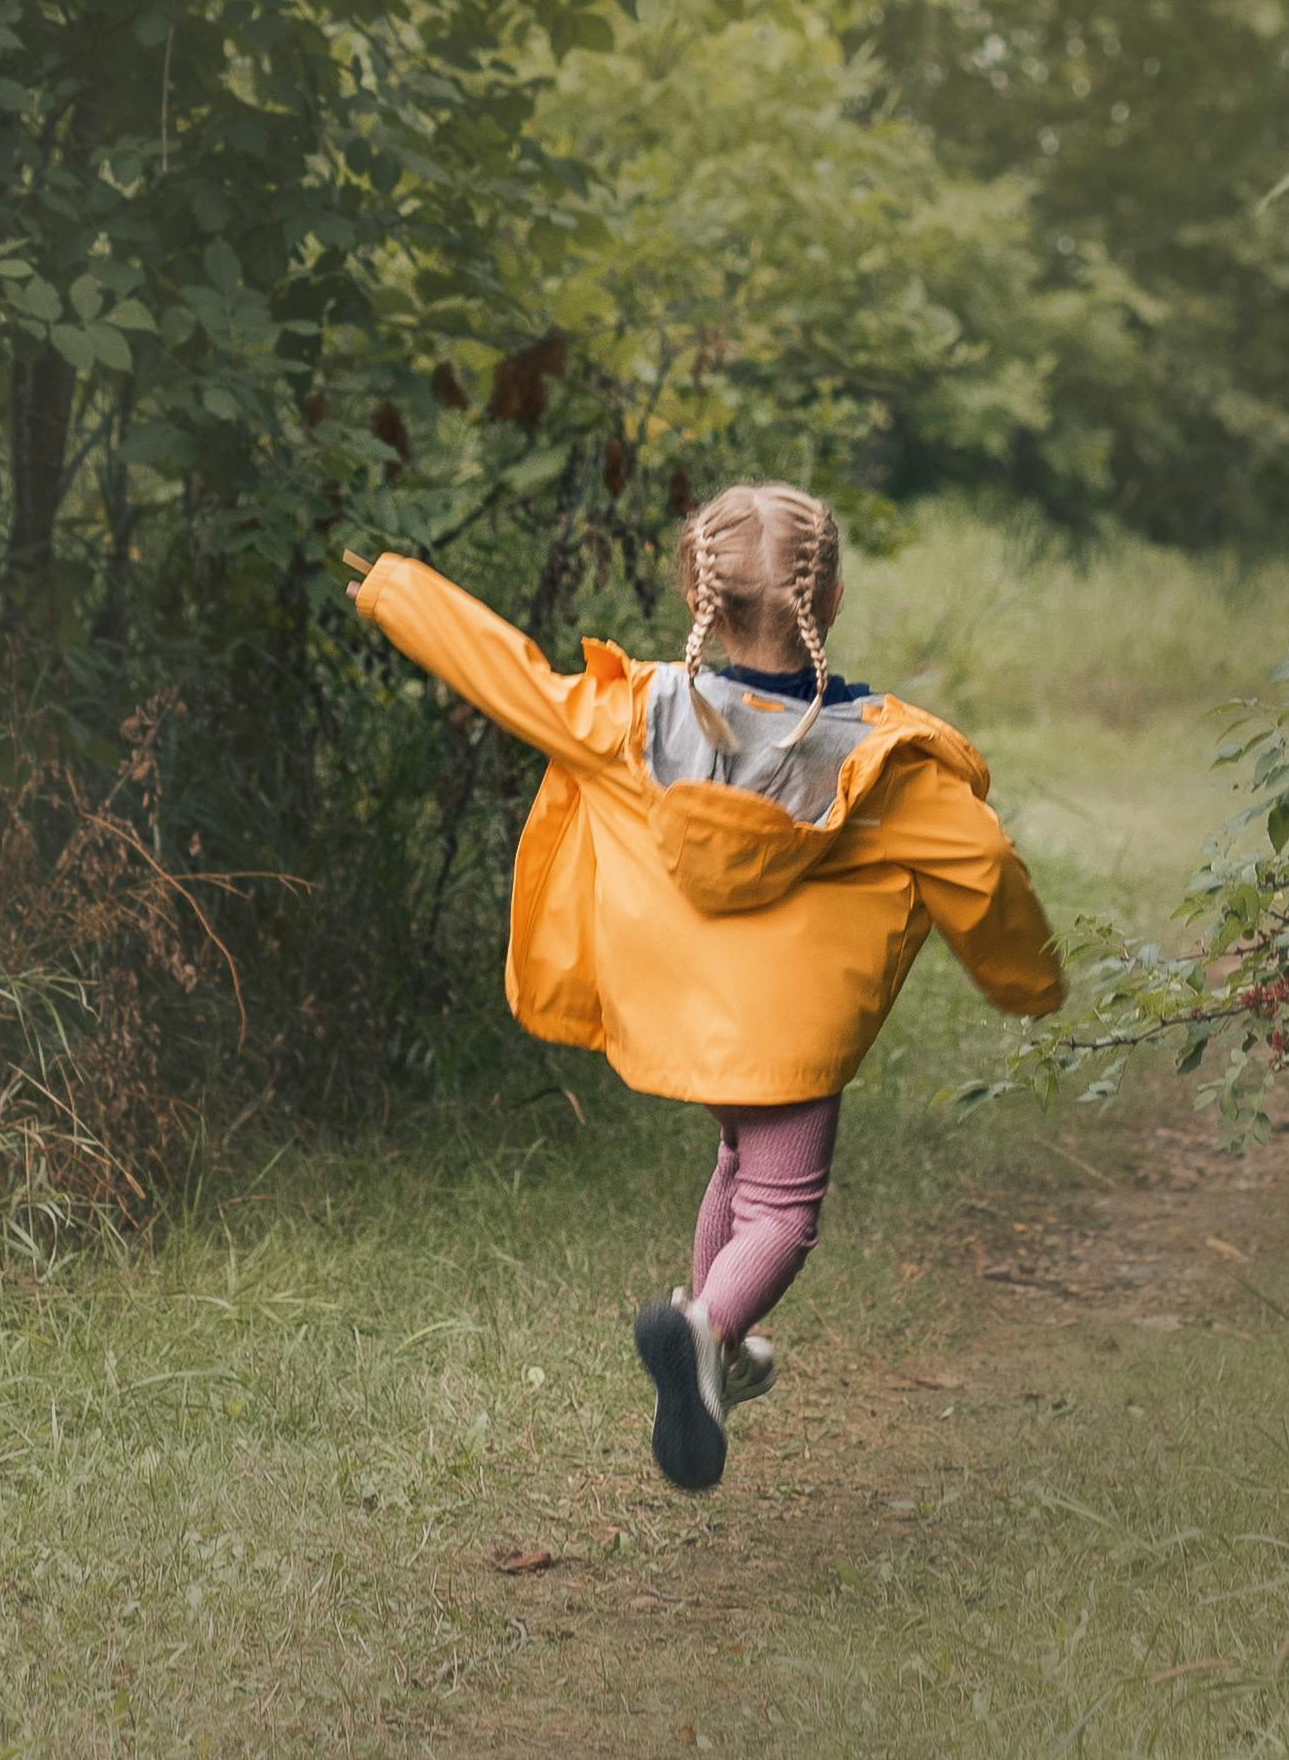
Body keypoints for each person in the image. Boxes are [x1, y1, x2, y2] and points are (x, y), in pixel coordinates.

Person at [350, 482, 1063, 1493]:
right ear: (834, 597)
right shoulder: (886, 760)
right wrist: (1027, 981)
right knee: (780, 1210)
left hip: (686, 1019)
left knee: (737, 1162)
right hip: (791, 1037)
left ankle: (710, 1352)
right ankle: (709, 1329)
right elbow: (982, 865)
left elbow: (513, 679)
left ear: (698, 595)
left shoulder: (633, 716)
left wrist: (397, 590)